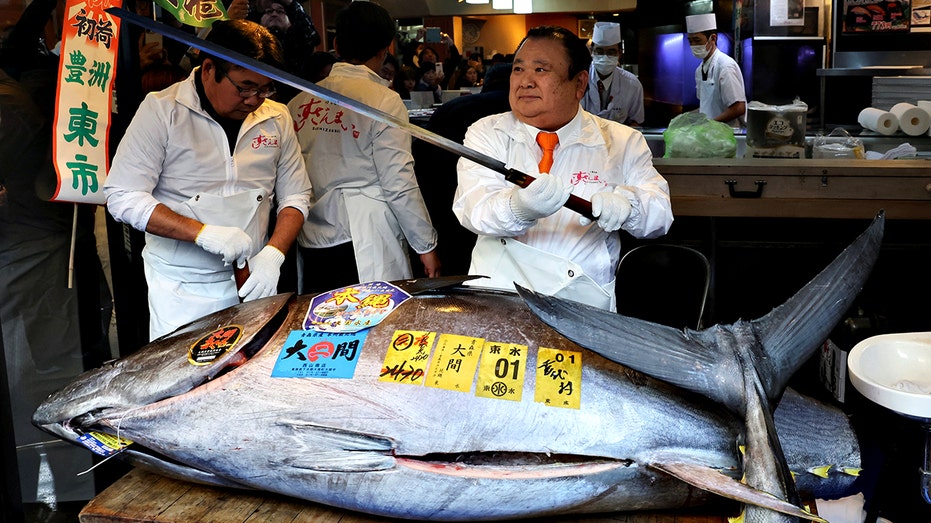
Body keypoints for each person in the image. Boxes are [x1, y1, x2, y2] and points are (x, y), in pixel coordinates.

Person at [104, 19, 312, 340]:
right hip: (182, 289)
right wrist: (202, 234)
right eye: (245, 87)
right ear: (209, 68)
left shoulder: (276, 117)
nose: (255, 99)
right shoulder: (162, 111)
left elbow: (296, 196)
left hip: (252, 281)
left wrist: (273, 254)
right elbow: (123, 196)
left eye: (265, 88)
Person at [453, 26, 673, 311]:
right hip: (499, 296)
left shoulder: (621, 141)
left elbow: (660, 216)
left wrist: (630, 206)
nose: (525, 82)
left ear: (579, 84)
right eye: (518, 69)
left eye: (541, 70)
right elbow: (472, 209)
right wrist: (519, 207)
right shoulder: (487, 133)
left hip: (582, 302)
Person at [286, 1, 440, 294]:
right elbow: (399, 181)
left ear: (336, 44)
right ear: (386, 48)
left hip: (310, 236)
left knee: (322, 328)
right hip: (365, 238)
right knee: (373, 328)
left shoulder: (300, 102)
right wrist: (426, 245)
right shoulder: (384, 100)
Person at [411, 62, 512, 276]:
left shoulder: (451, 107)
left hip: (446, 210)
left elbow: (420, 161)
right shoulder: (521, 110)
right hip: (501, 219)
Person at [686, 13, 746, 127]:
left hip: (727, 135)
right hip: (710, 136)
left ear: (713, 38)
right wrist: (686, 119)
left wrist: (710, 124)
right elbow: (706, 106)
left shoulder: (725, 66)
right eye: (690, 41)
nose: (693, 45)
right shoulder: (700, 70)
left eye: (697, 40)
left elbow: (738, 108)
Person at [581, 21, 644, 127]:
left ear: (619, 53)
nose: (605, 57)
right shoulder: (578, 80)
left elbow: (636, 122)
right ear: (591, 51)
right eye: (599, 51)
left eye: (611, 52)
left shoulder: (632, 85)